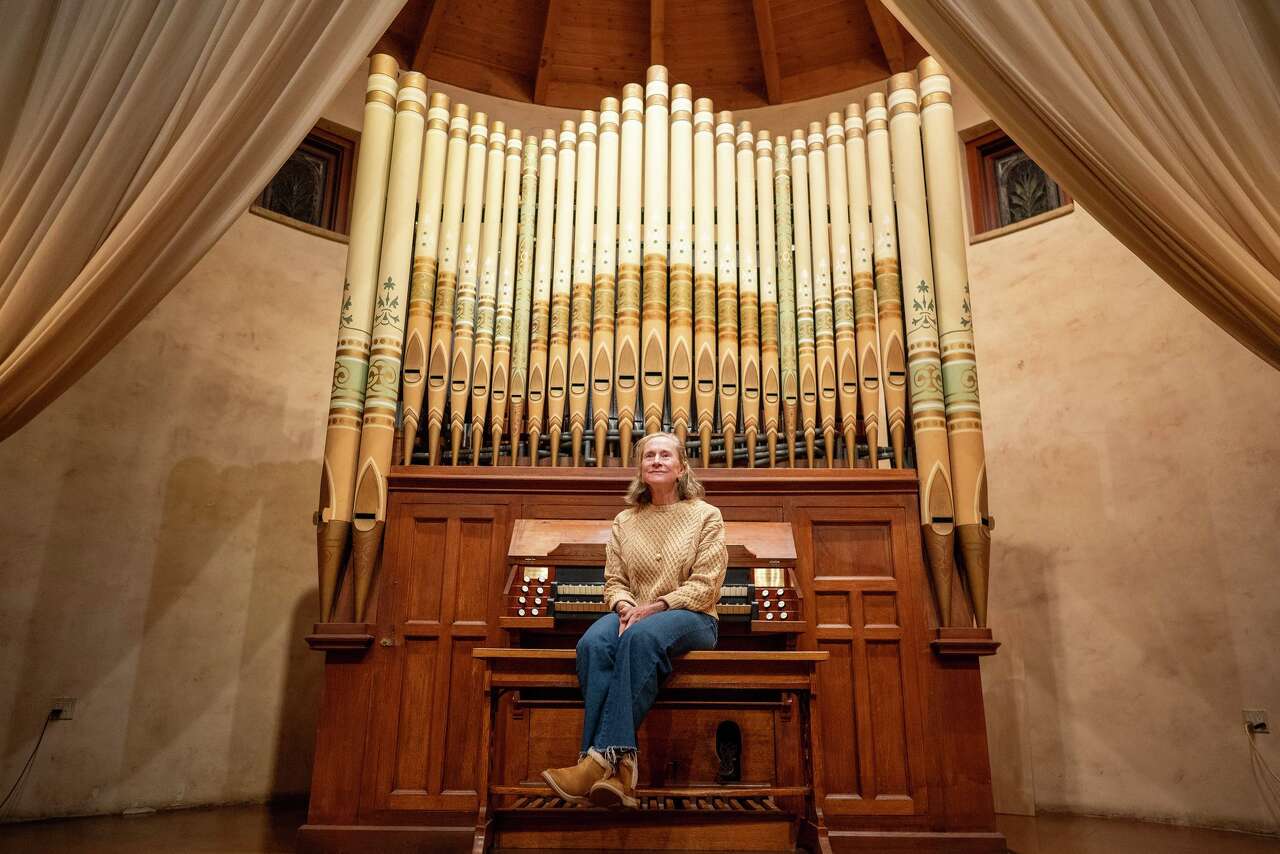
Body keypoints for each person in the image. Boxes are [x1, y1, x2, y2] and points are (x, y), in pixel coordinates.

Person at [541, 432, 728, 808]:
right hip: (636, 613)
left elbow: (706, 585)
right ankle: (620, 772)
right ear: (641, 470)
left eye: (665, 455)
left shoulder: (706, 515)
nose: (656, 461)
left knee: (641, 638)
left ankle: (595, 761)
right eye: (649, 456)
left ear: (681, 468)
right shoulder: (625, 520)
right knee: (594, 643)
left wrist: (654, 607)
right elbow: (614, 581)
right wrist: (626, 606)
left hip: (691, 616)